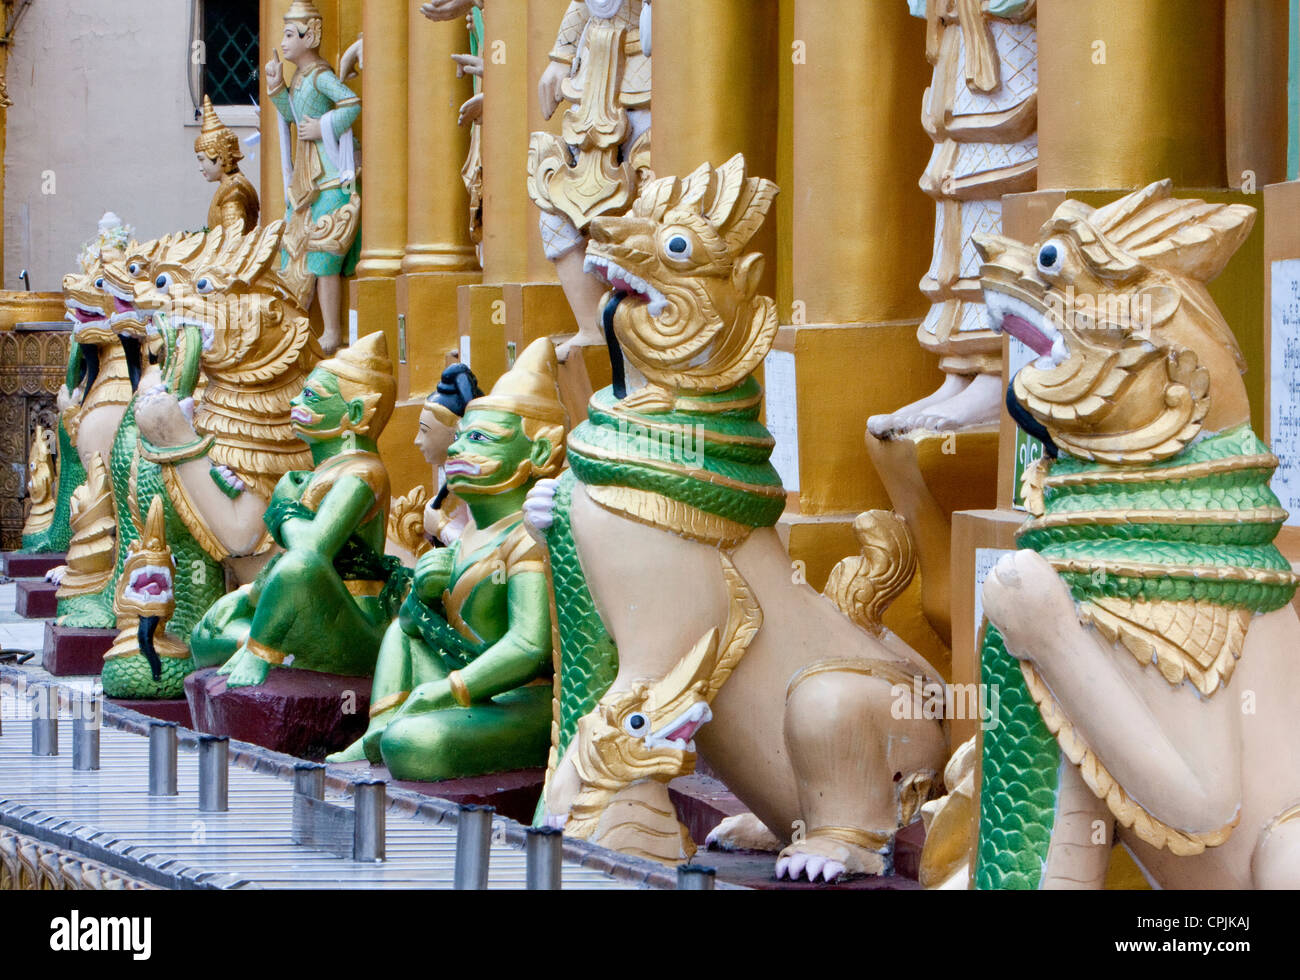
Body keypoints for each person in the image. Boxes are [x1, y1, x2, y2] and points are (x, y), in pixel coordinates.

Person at [327, 340, 567, 780]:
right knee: (402, 636)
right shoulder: (467, 533)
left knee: (414, 743)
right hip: (467, 674)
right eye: (459, 439)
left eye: (480, 440)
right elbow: (420, 626)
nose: (456, 451)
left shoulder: (527, 538)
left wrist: (450, 689)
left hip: (524, 697)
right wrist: (424, 592)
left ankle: (395, 733)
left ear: (538, 453)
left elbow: (529, 647)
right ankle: (378, 728)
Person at [267, 0, 361, 354]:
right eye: (285, 34)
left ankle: (333, 332)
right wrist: (277, 89)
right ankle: (299, 325)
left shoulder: (321, 75)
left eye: (291, 34)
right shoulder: (302, 78)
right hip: (308, 182)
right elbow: (292, 117)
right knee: (294, 251)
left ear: (311, 36)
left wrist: (323, 127)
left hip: (331, 176)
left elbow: (351, 104)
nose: (285, 41)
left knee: (325, 257)